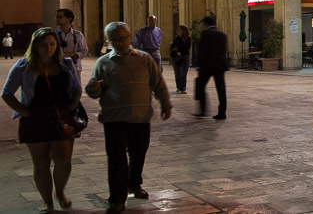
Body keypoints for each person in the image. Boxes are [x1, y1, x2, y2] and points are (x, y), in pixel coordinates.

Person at [87, 22, 171, 213]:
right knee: (116, 159)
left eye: (123, 38)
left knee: (139, 152)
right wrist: (93, 88)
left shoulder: (144, 59)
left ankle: (134, 184)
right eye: (115, 39)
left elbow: (158, 82)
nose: (120, 42)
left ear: (129, 38)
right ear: (110, 41)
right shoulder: (103, 62)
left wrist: (166, 103)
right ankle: (117, 199)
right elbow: (93, 90)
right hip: (114, 118)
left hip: (140, 116)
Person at [2, 27, 83, 212]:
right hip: (35, 118)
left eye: (52, 44)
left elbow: (76, 87)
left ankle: (60, 192)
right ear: (35, 46)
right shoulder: (24, 66)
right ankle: (48, 201)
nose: (49, 48)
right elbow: (6, 93)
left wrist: (71, 107)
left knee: (63, 160)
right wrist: (26, 112)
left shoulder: (66, 63)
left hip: (61, 116)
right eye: (44, 45)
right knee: (41, 163)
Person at [193, 15, 228, 120]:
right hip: (220, 65)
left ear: (206, 24)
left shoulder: (205, 33)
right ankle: (222, 113)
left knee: (201, 86)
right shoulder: (223, 34)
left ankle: (203, 110)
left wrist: (199, 65)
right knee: (221, 90)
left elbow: (202, 51)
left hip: (207, 65)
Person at [55, 8, 88, 78]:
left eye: (60, 17)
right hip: (58, 67)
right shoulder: (54, 34)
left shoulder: (78, 35)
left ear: (68, 19)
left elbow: (84, 50)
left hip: (75, 67)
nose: (57, 19)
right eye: (56, 17)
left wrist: (74, 55)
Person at [169, 25, 192, 94]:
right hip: (177, 57)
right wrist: (178, 47)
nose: (178, 31)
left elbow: (187, 47)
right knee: (177, 73)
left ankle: (183, 88)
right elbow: (173, 47)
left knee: (183, 73)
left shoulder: (188, 38)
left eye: (180, 30)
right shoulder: (177, 38)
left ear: (183, 30)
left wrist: (178, 47)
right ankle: (178, 87)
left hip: (185, 57)